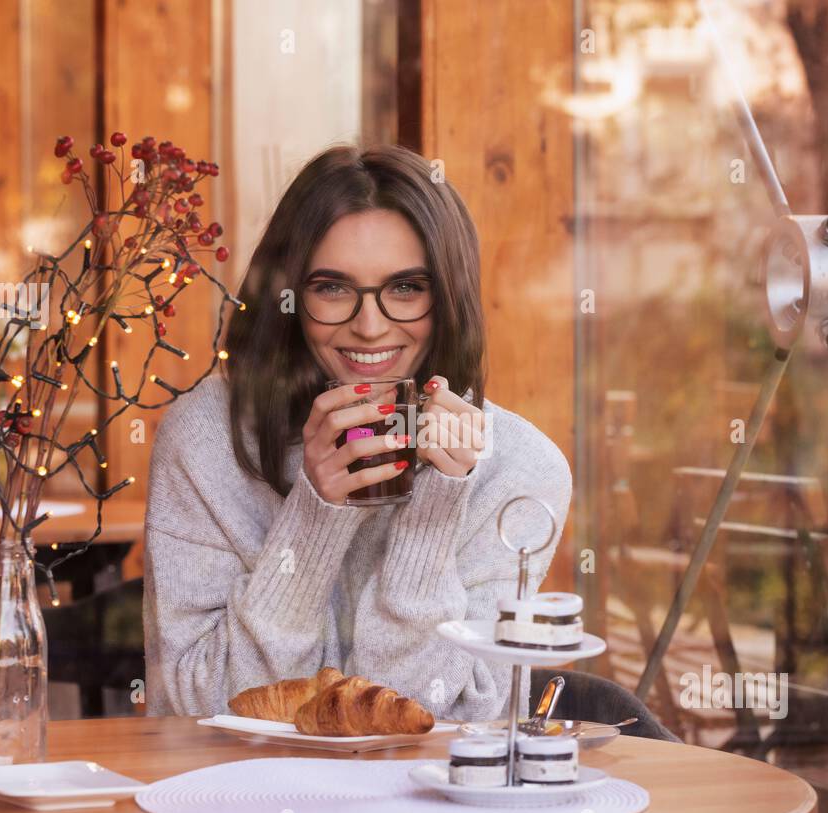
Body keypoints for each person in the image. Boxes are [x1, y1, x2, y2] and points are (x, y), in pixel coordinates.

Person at [143, 144, 571, 721]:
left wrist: (433, 516)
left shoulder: (520, 469)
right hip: (237, 803)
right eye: (333, 288)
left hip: (424, 811)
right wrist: (314, 515)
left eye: (405, 289)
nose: (370, 328)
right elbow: (192, 711)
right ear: (291, 298)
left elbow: (451, 724)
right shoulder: (205, 441)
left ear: (448, 299)